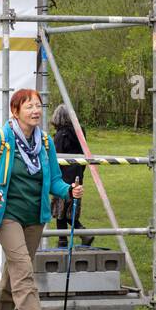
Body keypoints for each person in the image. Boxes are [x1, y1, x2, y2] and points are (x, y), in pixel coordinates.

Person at [0, 88, 83, 310]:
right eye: (29, 106)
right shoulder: (0, 138)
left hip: (35, 218)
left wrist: (69, 190)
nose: (35, 110)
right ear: (15, 111)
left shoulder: (45, 142)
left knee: (14, 274)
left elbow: (55, 180)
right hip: (6, 215)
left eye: (38, 106)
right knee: (24, 271)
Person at [51, 104, 93, 248]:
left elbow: (55, 158)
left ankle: (71, 237)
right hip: (77, 175)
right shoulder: (80, 133)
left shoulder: (60, 135)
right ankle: (69, 238)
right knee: (69, 209)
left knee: (60, 210)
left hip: (62, 177)